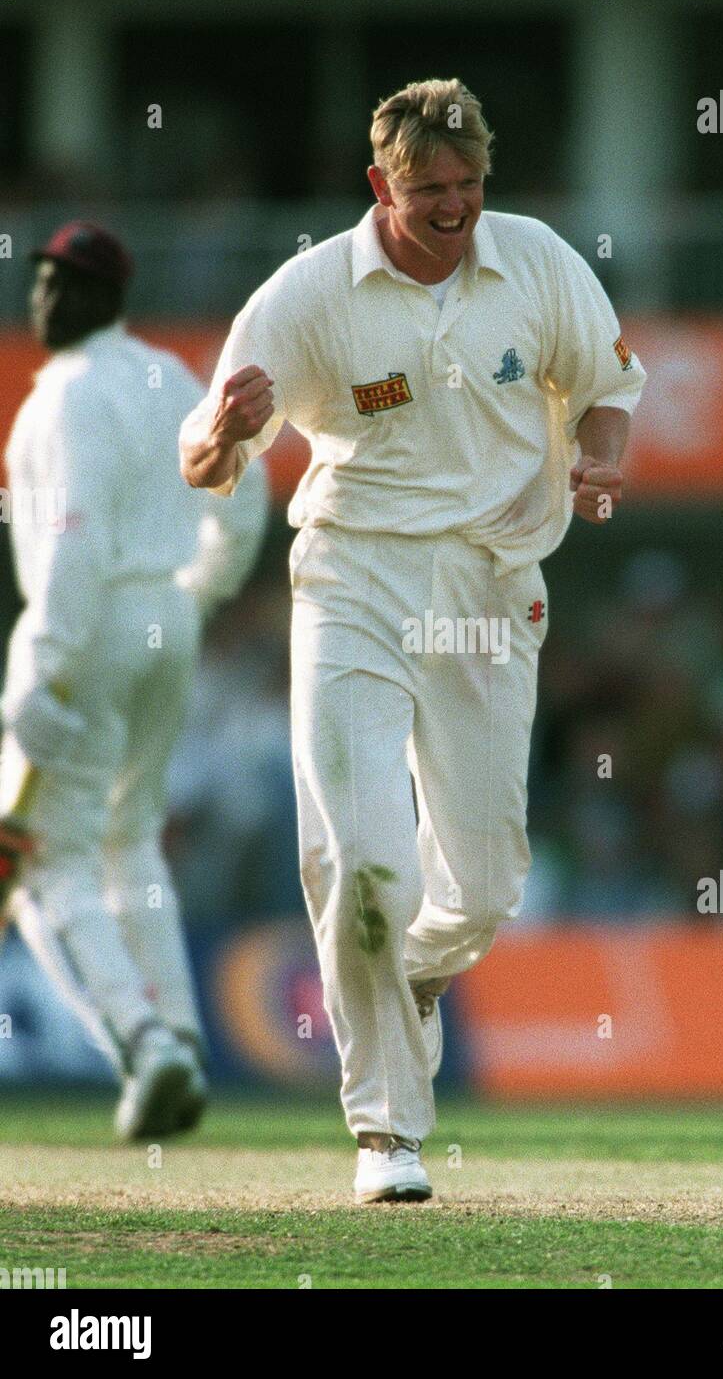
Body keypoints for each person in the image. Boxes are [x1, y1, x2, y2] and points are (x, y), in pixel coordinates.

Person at [180, 79, 646, 1202]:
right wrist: (227, 431)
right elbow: (204, 459)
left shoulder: (533, 260)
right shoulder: (309, 296)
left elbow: (608, 386)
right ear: (380, 185)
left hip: (491, 582)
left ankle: (417, 975)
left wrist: (604, 456)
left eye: (470, 185)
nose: (454, 207)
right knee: (362, 856)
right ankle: (387, 1132)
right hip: (356, 576)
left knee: (484, 886)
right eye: (430, 188)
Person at [0, 221, 268, 1139]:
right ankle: (185, 1041)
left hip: (93, 629)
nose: (44, 297)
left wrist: (37, 674)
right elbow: (246, 479)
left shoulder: (63, 396)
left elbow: (72, 541)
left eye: (62, 283)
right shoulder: (165, 377)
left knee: (42, 866)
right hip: (167, 621)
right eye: (40, 279)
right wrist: (204, 586)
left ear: (100, 295)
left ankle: (145, 1046)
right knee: (131, 840)